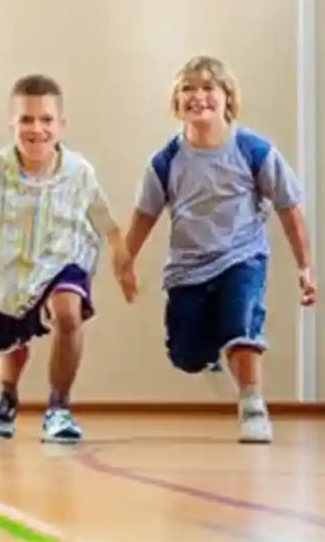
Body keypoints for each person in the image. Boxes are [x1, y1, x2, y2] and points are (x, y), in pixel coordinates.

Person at [123, 55, 315, 444]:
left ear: (228, 98)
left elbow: (288, 206)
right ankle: (206, 354)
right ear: (176, 102)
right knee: (185, 355)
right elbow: (145, 214)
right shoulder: (166, 161)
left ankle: (252, 406)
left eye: (208, 88)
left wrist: (304, 267)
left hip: (241, 256)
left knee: (240, 325)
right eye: (188, 89)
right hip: (188, 267)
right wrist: (125, 261)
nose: (198, 96)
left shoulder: (252, 150)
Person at [0, 74, 136, 443]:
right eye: (26, 120)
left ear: (61, 125)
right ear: (11, 123)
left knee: (68, 314)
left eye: (46, 120)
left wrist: (122, 261)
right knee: (12, 347)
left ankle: (59, 406)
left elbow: (105, 221)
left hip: (63, 259)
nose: (36, 129)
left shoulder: (79, 172)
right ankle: (6, 395)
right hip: (8, 269)